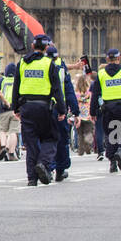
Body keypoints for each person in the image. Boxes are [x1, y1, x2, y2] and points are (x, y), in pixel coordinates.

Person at [13, 34, 65, 186]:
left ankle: (31, 178)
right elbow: (57, 90)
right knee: (50, 138)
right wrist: (62, 110)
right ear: (47, 47)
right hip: (44, 107)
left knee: (30, 143)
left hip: (26, 107)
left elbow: (16, 87)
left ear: (32, 46)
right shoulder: (49, 64)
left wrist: (15, 108)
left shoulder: (22, 63)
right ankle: (43, 163)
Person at [91, 49, 121, 173]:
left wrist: (93, 112)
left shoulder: (101, 74)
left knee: (111, 135)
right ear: (118, 58)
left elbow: (95, 94)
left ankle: (112, 163)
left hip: (108, 109)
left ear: (107, 59)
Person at [47, 44, 80, 181]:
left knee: (45, 139)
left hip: (43, 107)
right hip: (59, 107)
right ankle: (60, 169)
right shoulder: (61, 66)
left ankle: (47, 167)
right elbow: (69, 90)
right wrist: (75, 111)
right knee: (61, 139)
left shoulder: (38, 65)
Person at [0, 62, 20, 161]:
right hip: (15, 109)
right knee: (13, 132)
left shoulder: (2, 80)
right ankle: (11, 153)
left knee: (2, 130)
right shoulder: (18, 80)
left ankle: (3, 146)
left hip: (4, 108)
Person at [74, 72, 95, 155]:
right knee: (89, 131)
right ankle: (88, 145)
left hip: (78, 115)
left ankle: (80, 150)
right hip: (88, 115)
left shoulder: (76, 94)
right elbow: (92, 102)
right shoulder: (89, 93)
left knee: (79, 134)